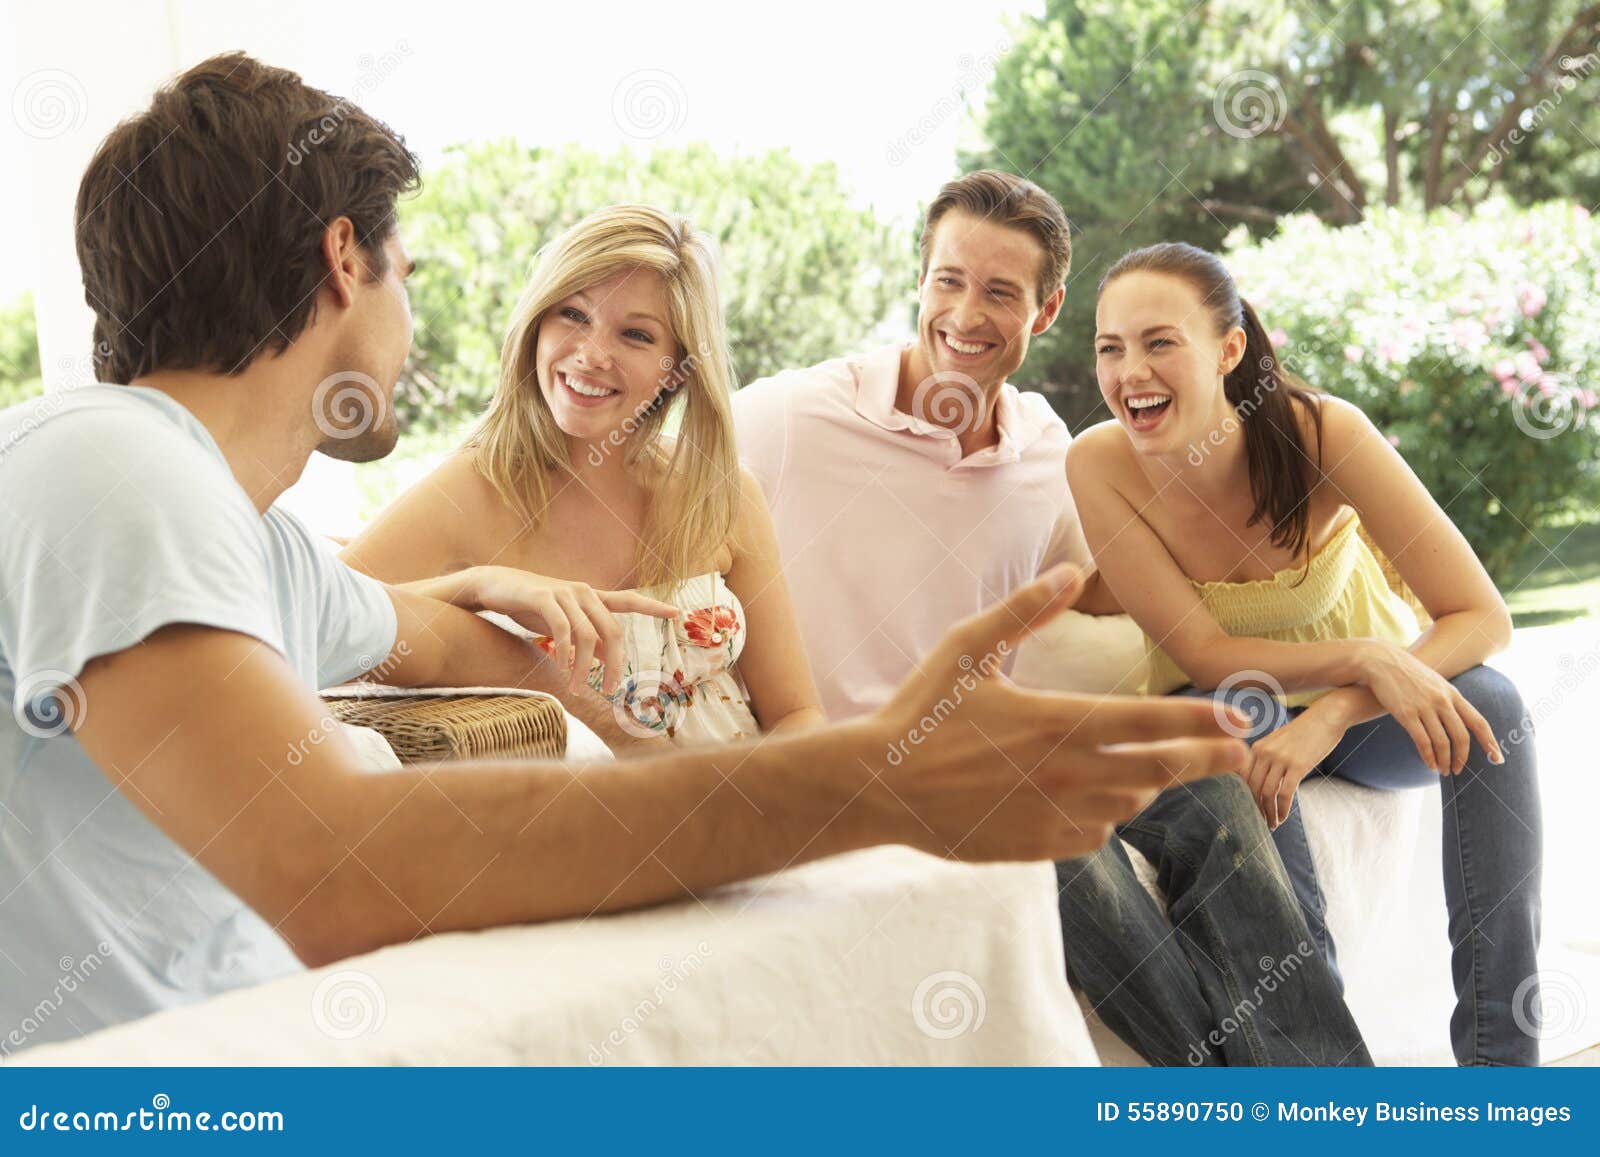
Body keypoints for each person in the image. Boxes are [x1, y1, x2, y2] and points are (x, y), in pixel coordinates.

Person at [0, 54, 1248, 1053]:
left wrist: (495, 604)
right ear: (342, 259)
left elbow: (435, 638)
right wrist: (866, 780)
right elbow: (337, 867)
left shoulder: (245, 535)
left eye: (639, 335)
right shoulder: (109, 465)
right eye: (406, 272)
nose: (413, 313)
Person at [733, 171, 1368, 1065]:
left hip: (995, 746)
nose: (966, 314)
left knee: (1212, 785)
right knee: (1063, 848)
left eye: (1001, 291)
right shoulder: (791, 414)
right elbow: (651, 495)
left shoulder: (1045, 450)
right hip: (859, 769)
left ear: (1047, 309)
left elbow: (1106, 584)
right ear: (921, 281)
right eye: (949, 280)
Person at [1068, 240, 1542, 1066]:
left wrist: (1334, 712)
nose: (1129, 371)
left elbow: (1479, 614)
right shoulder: (1099, 462)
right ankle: (1317, 1069)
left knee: (1496, 704)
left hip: (1363, 720)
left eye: (1159, 341)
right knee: (1235, 729)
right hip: (1228, 702)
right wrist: (1362, 656)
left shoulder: (1321, 432)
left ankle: (1501, 1071)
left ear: (1229, 348)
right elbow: (1205, 652)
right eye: (1110, 348)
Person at [340, 204, 822, 748]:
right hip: (576, 803)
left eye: (636, 335)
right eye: (573, 314)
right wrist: (475, 588)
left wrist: (773, 795)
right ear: (536, 326)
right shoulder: (472, 488)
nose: (592, 356)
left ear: (678, 370)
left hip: (746, 792)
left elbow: (795, 713)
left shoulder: (723, 492)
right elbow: (310, 627)